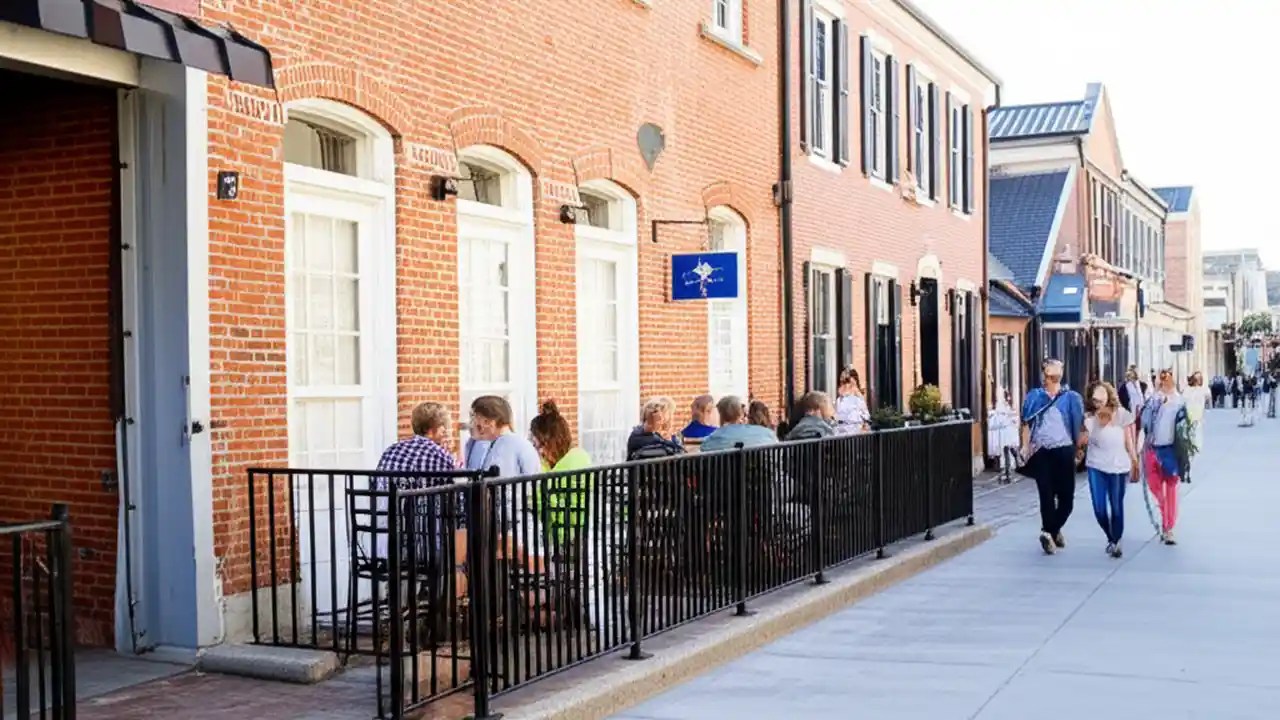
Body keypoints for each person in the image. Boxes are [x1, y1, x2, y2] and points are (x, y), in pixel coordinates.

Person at [1020, 359, 1085, 555]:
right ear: (1044, 375)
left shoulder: (1071, 398)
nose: (1054, 378)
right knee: (1046, 494)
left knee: (1067, 499)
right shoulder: (1034, 397)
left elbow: (1080, 425)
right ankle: (1048, 534)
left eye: (1057, 374)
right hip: (1042, 451)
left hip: (1064, 450)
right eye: (1050, 374)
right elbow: (1026, 423)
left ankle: (1051, 530)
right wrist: (1025, 446)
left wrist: (1080, 448)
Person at [1080, 382, 1137, 558]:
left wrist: (1135, 461)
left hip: (1119, 466)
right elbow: (1081, 441)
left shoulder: (1121, 415)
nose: (1099, 400)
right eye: (1095, 397)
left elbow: (1129, 441)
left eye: (1102, 395)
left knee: (1117, 506)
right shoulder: (1089, 418)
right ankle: (1110, 536)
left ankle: (1116, 540)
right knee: (1099, 509)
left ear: (1108, 395)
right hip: (1096, 466)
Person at [1140, 369, 1188, 545]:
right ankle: (1162, 507)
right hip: (1153, 448)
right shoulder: (1154, 400)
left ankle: (1168, 527)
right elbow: (1144, 421)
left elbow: (1186, 427)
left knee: (1171, 488)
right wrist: (1155, 401)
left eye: (1167, 378)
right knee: (1154, 485)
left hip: (1170, 450)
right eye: (1161, 379)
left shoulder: (1180, 401)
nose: (1164, 382)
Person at [702, 396, 778, 451]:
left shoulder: (713, 439)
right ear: (740, 413)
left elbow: (704, 452)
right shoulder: (767, 433)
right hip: (766, 473)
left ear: (721, 415)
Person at [1182, 372, 1210, 471]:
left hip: (1196, 418)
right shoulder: (1193, 390)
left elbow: (1208, 396)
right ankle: (1188, 459)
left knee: (1195, 441)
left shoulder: (1193, 390)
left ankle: (1189, 458)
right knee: (1193, 440)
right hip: (1191, 417)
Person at [834, 367, 871, 435]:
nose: (845, 386)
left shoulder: (858, 398)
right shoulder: (839, 400)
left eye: (848, 383)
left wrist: (864, 425)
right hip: (840, 433)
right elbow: (835, 416)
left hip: (855, 433)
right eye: (843, 383)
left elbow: (866, 415)